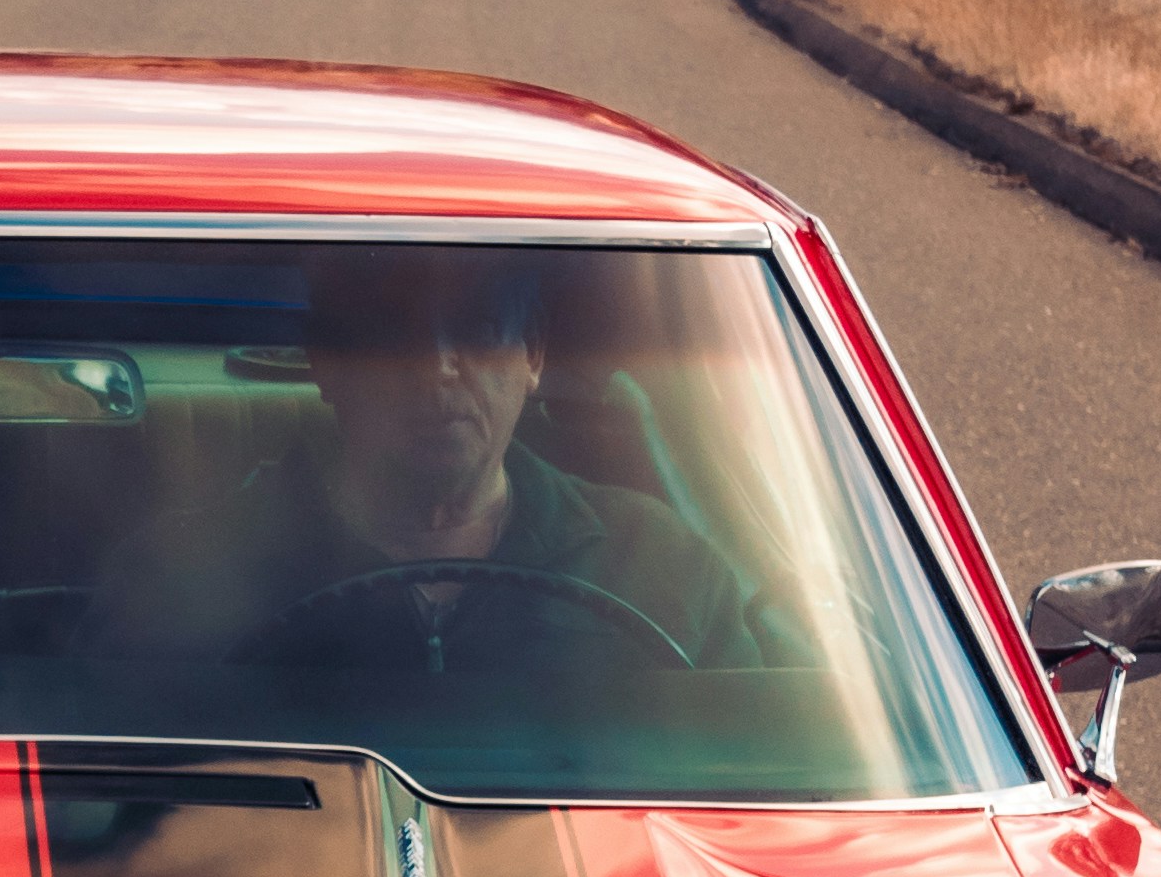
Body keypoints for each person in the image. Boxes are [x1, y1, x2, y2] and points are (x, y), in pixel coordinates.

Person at [155, 253, 753, 691]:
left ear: (533, 354)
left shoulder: (661, 564)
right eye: (393, 336)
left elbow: (759, 787)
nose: (437, 368)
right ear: (326, 363)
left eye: (479, 330)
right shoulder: (188, 572)